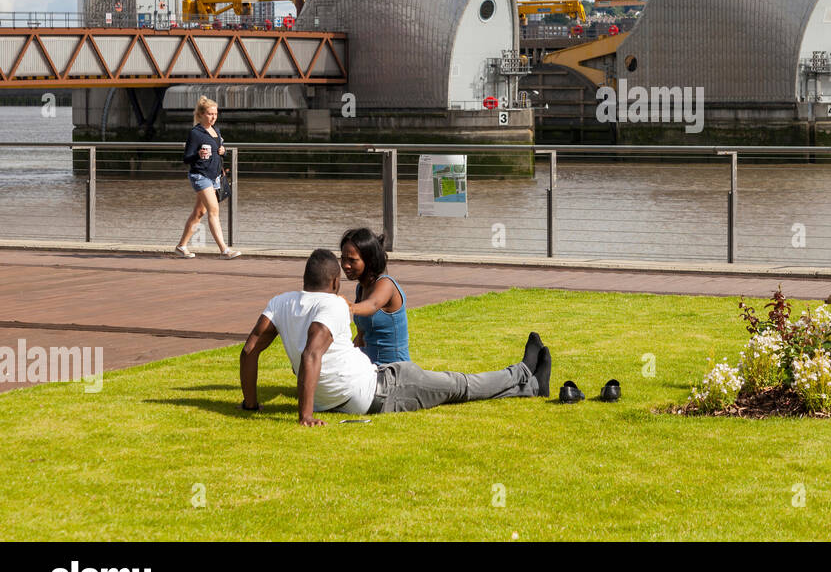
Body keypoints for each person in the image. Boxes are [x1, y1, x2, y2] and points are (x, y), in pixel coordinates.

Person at [238, 249, 551, 425]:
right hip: (382, 390)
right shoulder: (333, 304)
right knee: (459, 385)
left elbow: (250, 349)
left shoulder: (281, 302)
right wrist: (304, 416)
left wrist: (251, 404)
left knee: (454, 388)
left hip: (343, 397)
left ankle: (529, 385)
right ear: (335, 281)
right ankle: (522, 372)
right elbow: (312, 354)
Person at [175, 95, 240, 259]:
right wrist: (198, 154)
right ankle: (224, 250)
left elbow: (218, 150)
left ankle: (181, 246)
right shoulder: (195, 133)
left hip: (215, 176)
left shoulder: (216, 131)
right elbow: (186, 158)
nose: (213, 117)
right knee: (214, 210)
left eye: (216, 114)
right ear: (202, 114)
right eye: (210, 114)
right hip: (200, 175)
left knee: (198, 212)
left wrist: (222, 151)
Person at [340, 227, 409, 364]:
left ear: (369, 260)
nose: (345, 265)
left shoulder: (386, 284)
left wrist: (348, 306)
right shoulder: (361, 288)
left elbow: (372, 304)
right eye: (343, 259)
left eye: (352, 260)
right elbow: (361, 336)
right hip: (369, 370)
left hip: (393, 371)